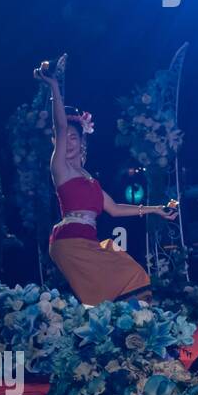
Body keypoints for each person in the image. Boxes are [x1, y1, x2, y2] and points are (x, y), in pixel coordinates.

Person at [34, 59, 174, 305]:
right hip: (69, 241)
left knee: (128, 278)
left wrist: (156, 209)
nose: (69, 141)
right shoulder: (60, 168)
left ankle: (120, 325)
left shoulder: (90, 179)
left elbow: (115, 209)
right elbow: (60, 125)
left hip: (88, 241)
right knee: (117, 283)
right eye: (65, 138)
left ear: (82, 141)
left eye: (74, 137)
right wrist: (54, 86)